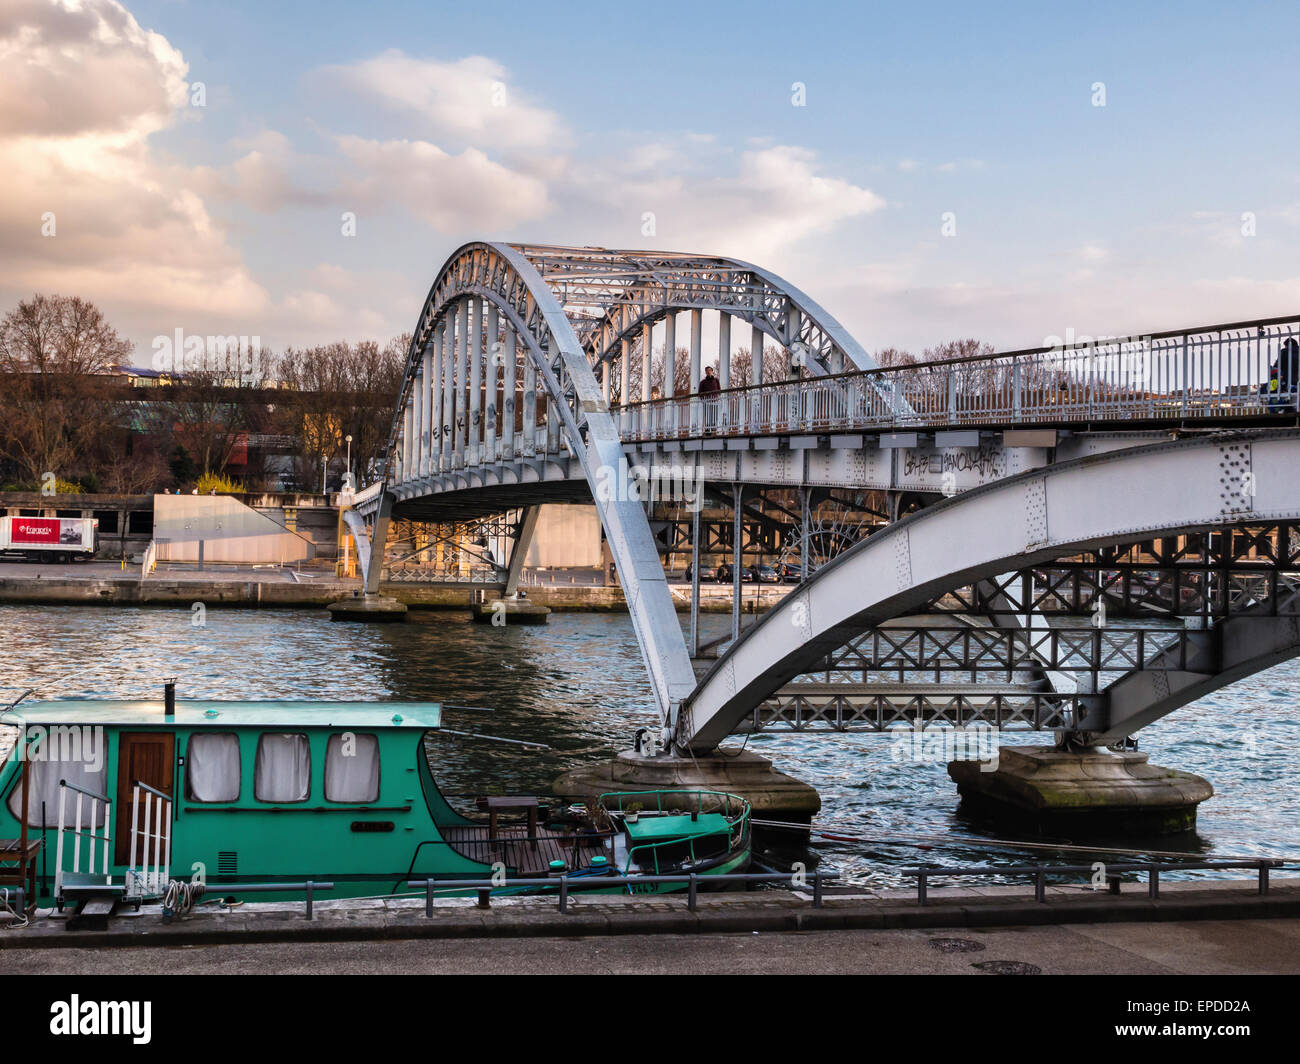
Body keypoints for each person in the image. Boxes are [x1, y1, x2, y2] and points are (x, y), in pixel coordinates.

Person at [1265, 338, 1300, 412]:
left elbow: (1277, 367)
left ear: (1287, 345)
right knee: (1296, 404)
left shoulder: (1284, 352)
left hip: (1287, 383)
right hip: (1298, 383)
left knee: (1288, 405)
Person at [699, 365, 721, 431]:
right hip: (707, 402)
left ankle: (714, 429)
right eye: (707, 371)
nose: (709, 372)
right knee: (708, 416)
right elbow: (700, 392)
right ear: (705, 372)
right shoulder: (703, 382)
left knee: (715, 415)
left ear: (712, 371)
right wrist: (704, 400)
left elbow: (719, 390)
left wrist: (717, 397)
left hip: (715, 401)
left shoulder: (716, 380)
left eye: (710, 370)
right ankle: (708, 430)